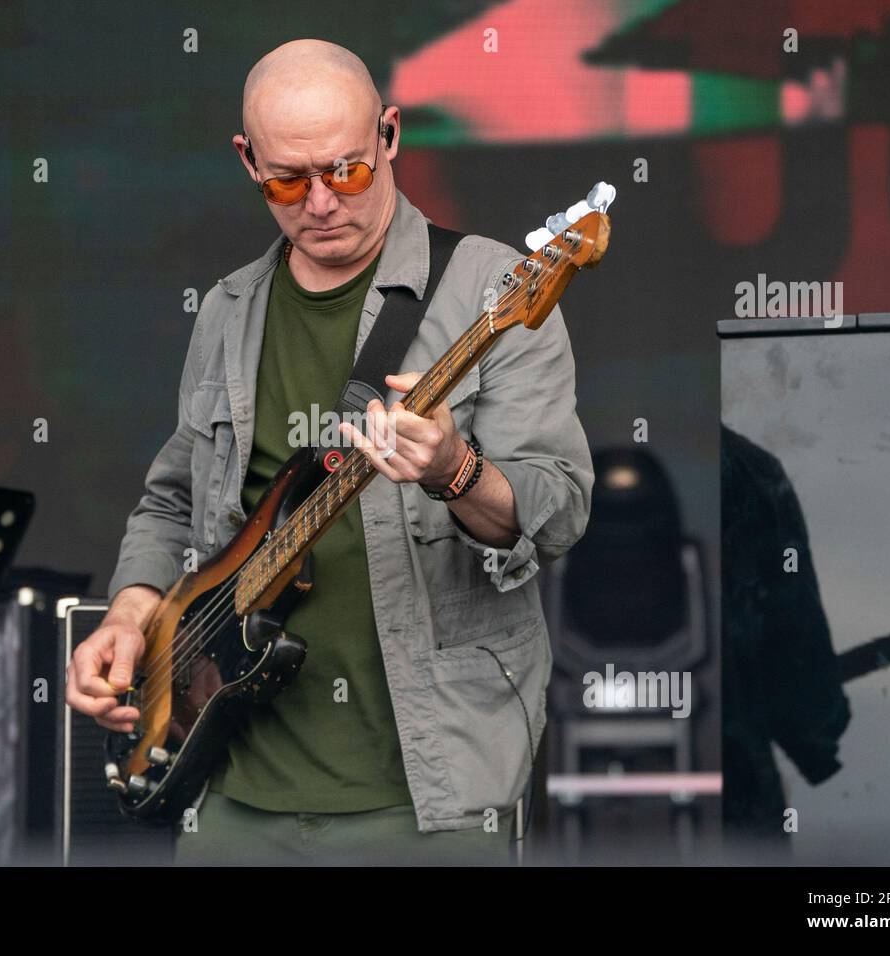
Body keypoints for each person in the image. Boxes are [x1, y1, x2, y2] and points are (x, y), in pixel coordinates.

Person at [65, 38, 593, 865]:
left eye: (347, 170)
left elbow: (557, 512)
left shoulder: (493, 291)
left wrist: (455, 470)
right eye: (288, 180)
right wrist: (131, 614)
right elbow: (172, 499)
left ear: (391, 134)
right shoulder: (228, 310)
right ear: (247, 160)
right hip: (233, 783)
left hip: (429, 793)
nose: (320, 203)